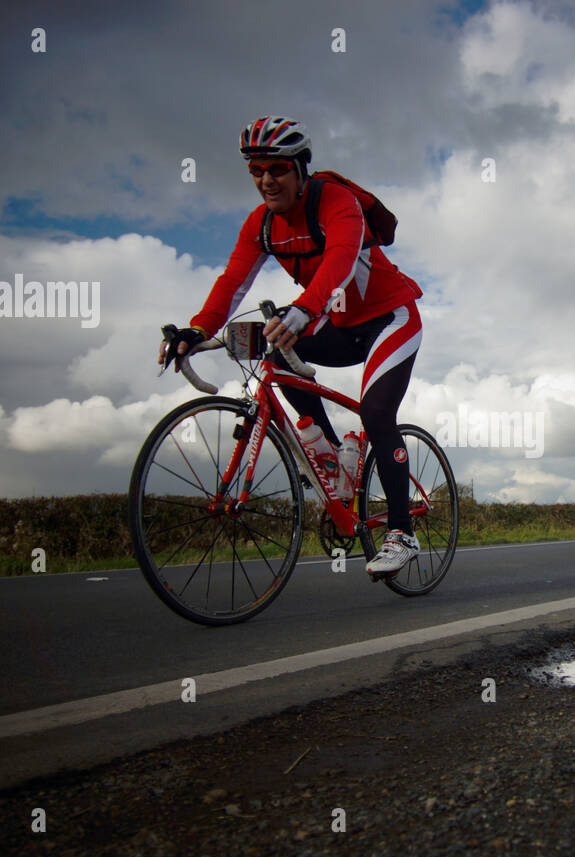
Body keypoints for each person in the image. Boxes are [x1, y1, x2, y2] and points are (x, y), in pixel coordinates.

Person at [158, 115, 424, 576]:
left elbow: (341, 259)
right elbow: (233, 281)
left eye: (277, 169)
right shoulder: (261, 225)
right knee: (268, 341)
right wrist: (197, 331)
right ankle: (331, 456)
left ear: (301, 169)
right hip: (335, 323)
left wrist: (302, 310)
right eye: (256, 171)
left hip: (390, 318)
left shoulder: (335, 200)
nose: (266, 180)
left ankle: (401, 533)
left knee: (377, 413)